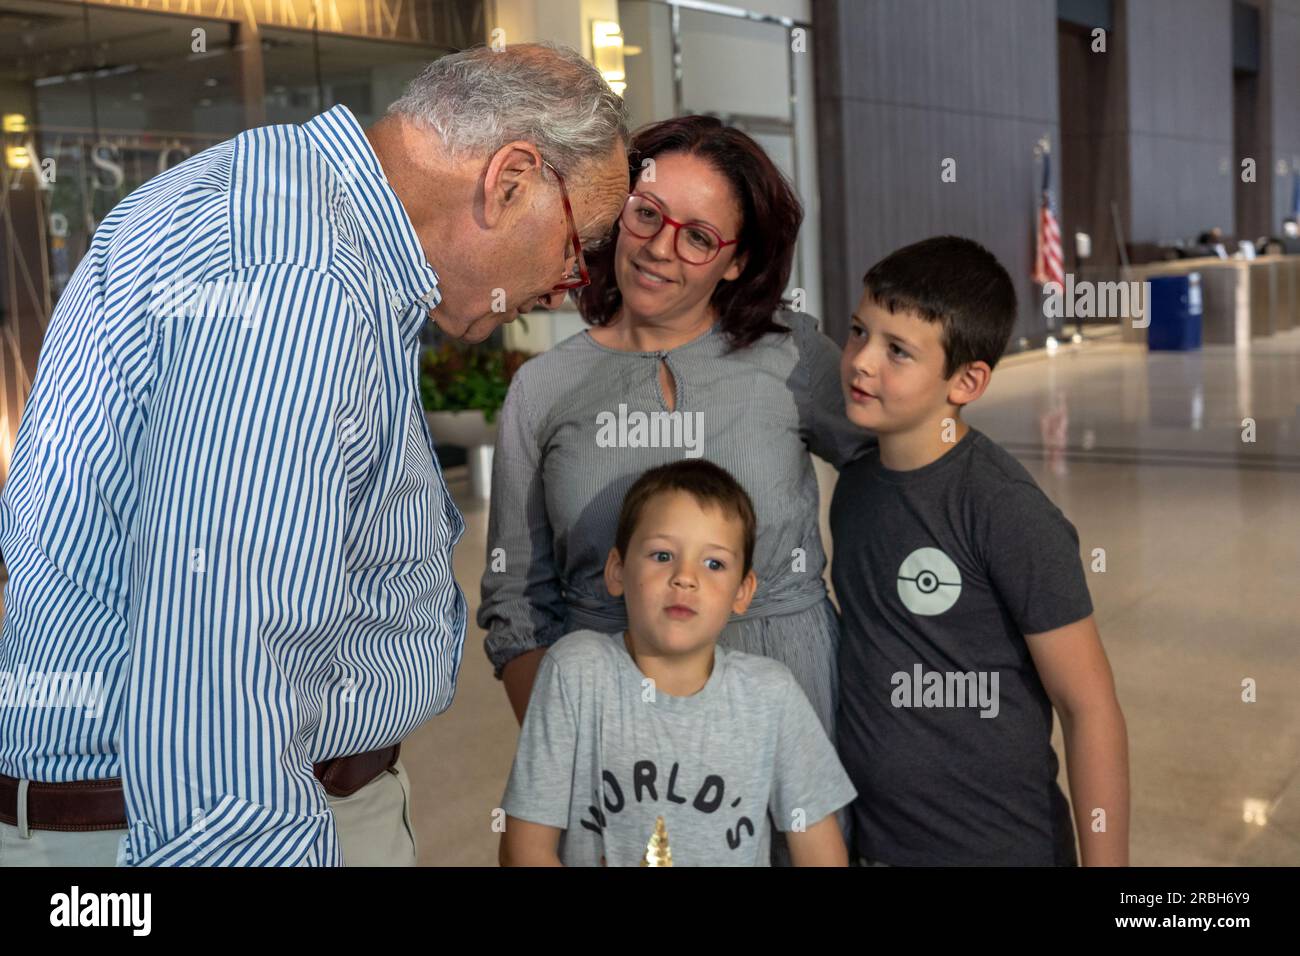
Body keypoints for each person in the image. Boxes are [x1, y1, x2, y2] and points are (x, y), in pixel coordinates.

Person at [0, 42, 629, 867]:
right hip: (183, 829)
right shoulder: (301, 278)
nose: (566, 287)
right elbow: (223, 678)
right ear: (509, 178)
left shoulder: (282, 204)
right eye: (578, 249)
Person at [480, 115, 873, 754]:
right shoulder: (543, 388)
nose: (660, 248)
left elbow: (893, 473)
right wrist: (570, 758)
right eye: (647, 215)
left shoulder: (793, 355)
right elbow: (517, 603)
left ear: (737, 261)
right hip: (611, 726)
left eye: (698, 237)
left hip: (792, 717)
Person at [832, 236, 1130, 866]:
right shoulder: (855, 489)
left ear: (966, 381)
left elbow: (1089, 705)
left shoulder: (1002, 508)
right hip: (882, 846)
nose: (861, 362)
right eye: (859, 332)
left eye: (897, 352)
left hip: (1000, 848)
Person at [498, 460, 855, 866]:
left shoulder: (771, 695)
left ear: (743, 590)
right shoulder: (576, 672)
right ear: (617, 570)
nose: (685, 578)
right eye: (662, 555)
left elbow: (820, 852)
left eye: (714, 563)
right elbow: (524, 849)